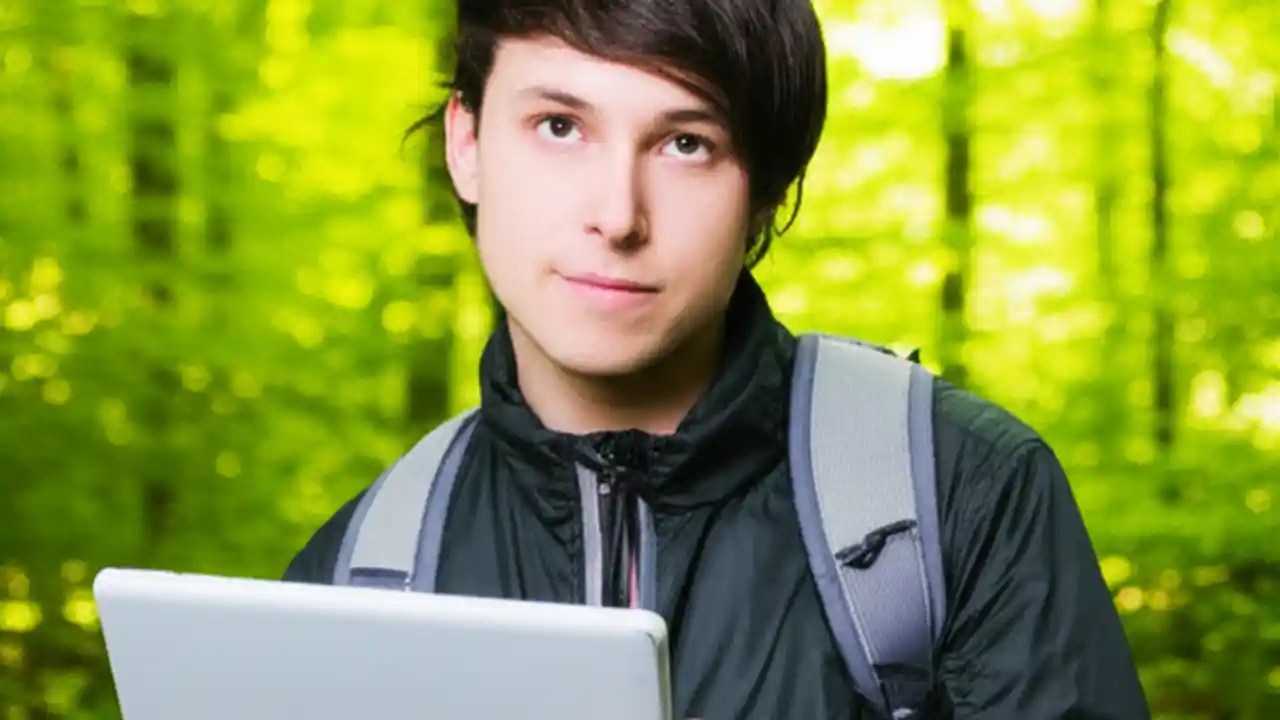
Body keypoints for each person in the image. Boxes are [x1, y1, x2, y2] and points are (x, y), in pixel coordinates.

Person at [284, 0, 1150, 717]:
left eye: (685, 143)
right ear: (466, 144)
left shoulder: (966, 497)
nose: (617, 215)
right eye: (558, 125)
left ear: (764, 195)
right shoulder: (354, 574)